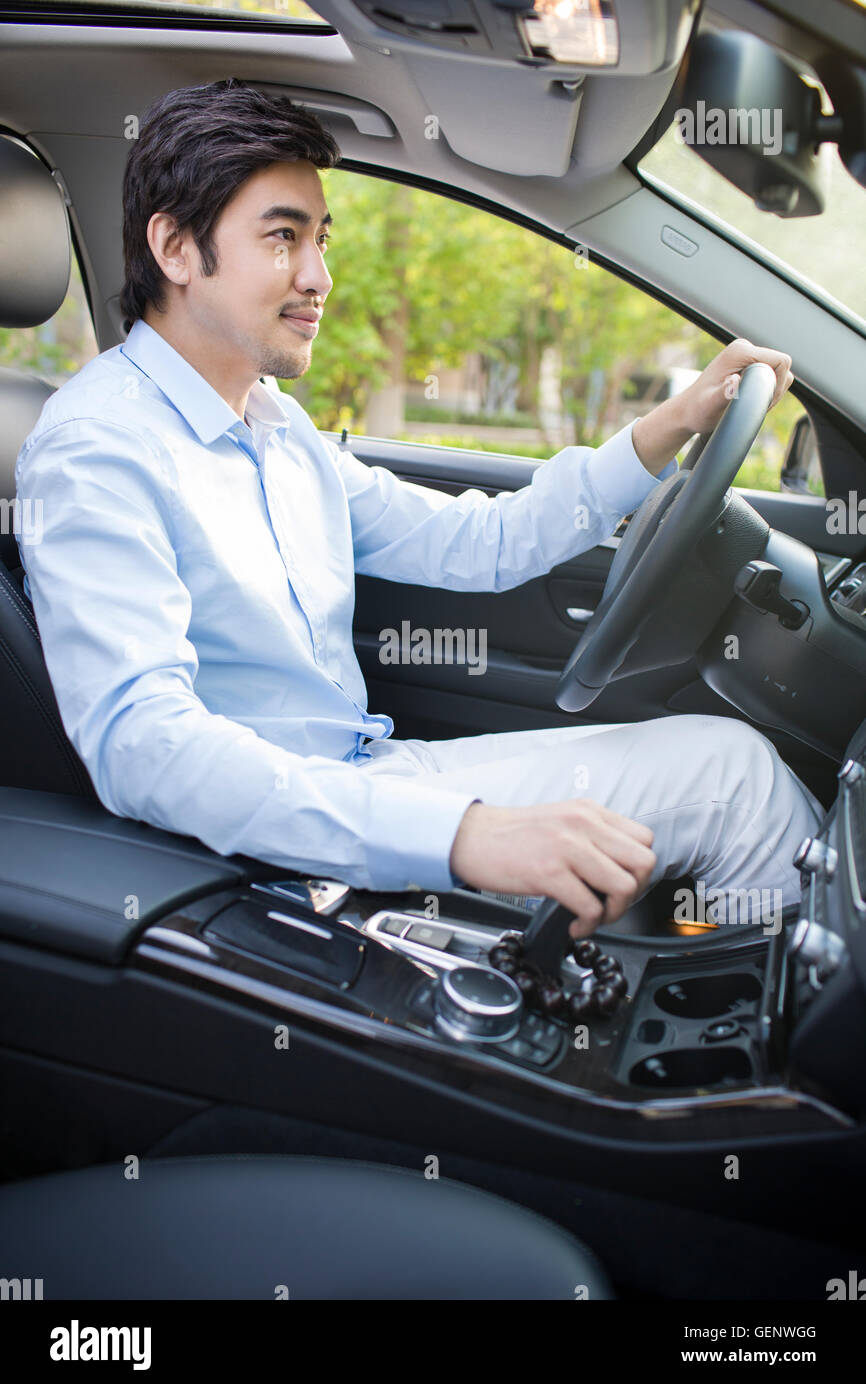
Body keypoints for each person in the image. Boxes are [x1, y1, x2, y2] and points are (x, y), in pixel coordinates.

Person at [15, 79, 824, 941]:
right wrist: (465, 835)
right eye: (283, 238)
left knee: (732, 763)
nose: (320, 277)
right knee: (740, 788)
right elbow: (146, 746)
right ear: (176, 248)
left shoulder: (275, 428)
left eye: (321, 239)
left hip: (372, 774)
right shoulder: (97, 448)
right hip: (275, 853)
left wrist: (670, 426)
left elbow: (480, 542)